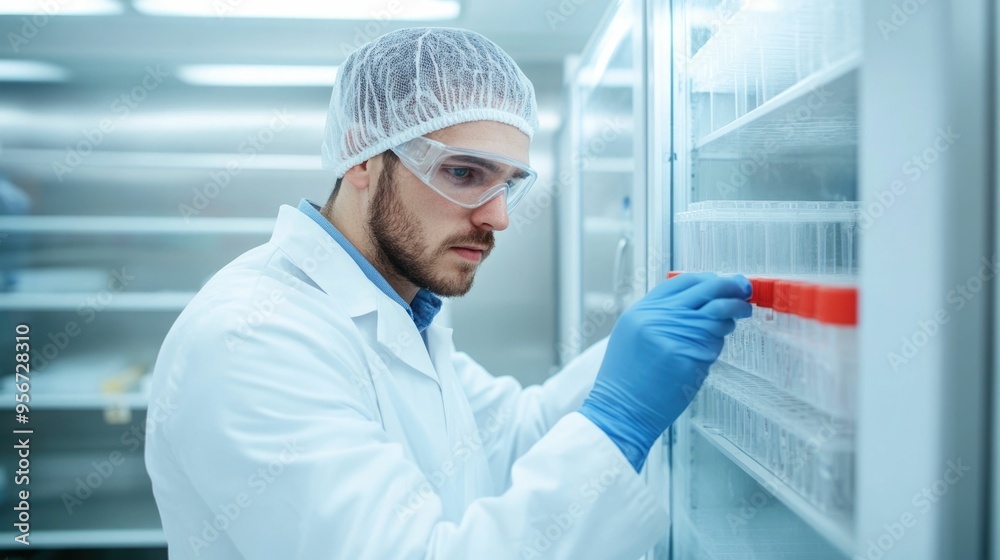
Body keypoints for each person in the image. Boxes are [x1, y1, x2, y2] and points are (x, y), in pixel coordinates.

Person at [145, 27, 751, 559]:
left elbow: (512, 435)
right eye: (463, 173)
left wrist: (640, 349)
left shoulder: (400, 313)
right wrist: (619, 419)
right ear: (362, 156)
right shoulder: (250, 337)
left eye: (508, 183)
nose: (498, 217)